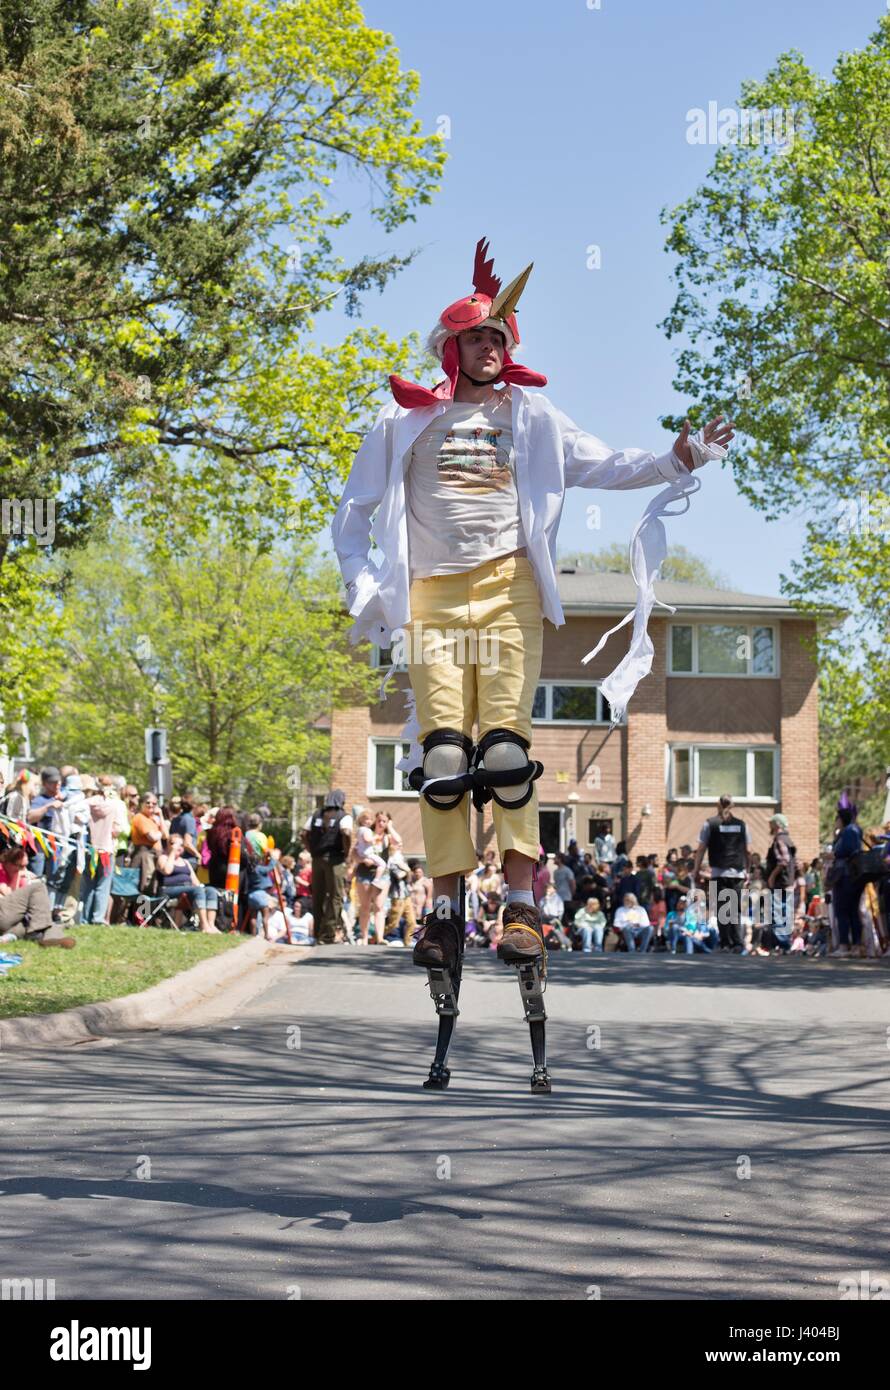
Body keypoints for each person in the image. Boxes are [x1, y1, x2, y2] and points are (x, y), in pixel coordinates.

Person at [332, 233, 732, 1008]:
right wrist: (362, 587)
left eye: (497, 337)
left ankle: (520, 906)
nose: (487, 346)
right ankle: (446, 916)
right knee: (446, 757)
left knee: (507, 750)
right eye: (475, 335)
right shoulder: (402, 421)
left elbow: (605, 464)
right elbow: (353, 515)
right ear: (450, 345)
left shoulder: (535, 417)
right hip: (432, 596)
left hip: (511, 587)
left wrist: (675, 457)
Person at [692, 794, 752, 951]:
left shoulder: (710, 824)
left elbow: (701, 849)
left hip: (718, 873)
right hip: (737, 873)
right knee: (735, 909)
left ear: (717, 805)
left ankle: (726, 943)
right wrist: (748, 870)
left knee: (722, 908)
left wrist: (696, 869)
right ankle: (738, 943)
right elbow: (748, 851)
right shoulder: (741, 824)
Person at [302, 790, 353, 945]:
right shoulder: (344, 816)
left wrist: (311, 850)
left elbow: (304, 834)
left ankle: (317, 933)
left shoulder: (316, 815)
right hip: (335, 860)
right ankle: (327, 935)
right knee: (335, 897)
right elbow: (347, 832)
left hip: (317, 860)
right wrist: (346, 852)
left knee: (318, 896)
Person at [0, 844, 75, 947]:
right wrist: (18, 877)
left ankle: (52, 937)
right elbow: (8, 894)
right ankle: (40, 931)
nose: (24, 869)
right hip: (3, 912)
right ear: (8, 863)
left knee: (37, 917)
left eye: (26, 865)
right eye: (21, 866)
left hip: (11, 920)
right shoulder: (1, 869)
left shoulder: (17, 872)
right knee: (38, 887)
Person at [80, 775, 130, 925]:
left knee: (88, 884)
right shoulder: (117, 805)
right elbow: (119, 829)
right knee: (103, 885)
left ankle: (85, 918)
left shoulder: (87, 803)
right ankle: (98, 917)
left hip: (90, 849)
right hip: (107, 850)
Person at [156, 833, 220, 931]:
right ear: (169, 845)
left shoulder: (185, 862)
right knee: (198, 891)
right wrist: (172, 853)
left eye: (181, 845)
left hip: (188, 889)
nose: (179, 847)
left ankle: (211, 925)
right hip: (169, 889)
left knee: (210, 890)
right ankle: (204, 926)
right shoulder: (163, 858)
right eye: (176, 844)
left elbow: (195, 882)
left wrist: (203, 888)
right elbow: (167, 871)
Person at [828, 797, 864, 958]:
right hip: (853, 876)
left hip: (845, 876)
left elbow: (848, 850)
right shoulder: (855, 830)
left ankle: (844, 945)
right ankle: (856, 945)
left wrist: (833, 854)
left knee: (842, 910)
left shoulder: (848, 831)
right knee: (853, 911)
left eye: (837, 818)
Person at [765, 812, 797, 951]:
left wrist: (772, 876)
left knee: (778, 913)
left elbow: (784, 860)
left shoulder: (780, 840)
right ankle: (784, 945)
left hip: (780, 883)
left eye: (771, 823)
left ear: (777, 824)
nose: (769, 826)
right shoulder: (788, 840)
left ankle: (783, 944)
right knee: (785, 914)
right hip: (787, 882)